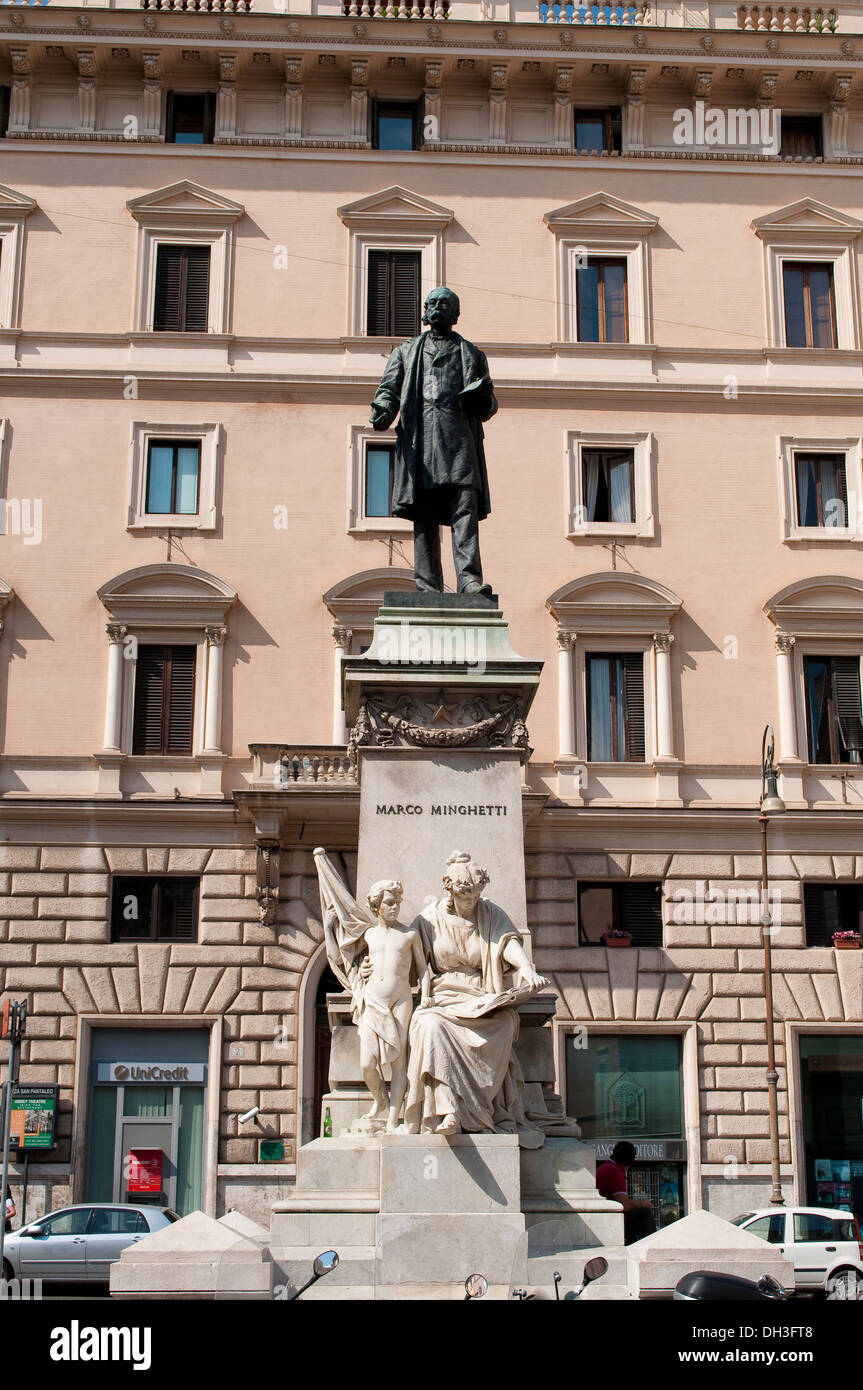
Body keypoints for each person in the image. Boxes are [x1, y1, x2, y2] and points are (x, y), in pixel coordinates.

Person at [403, 850, 548, 1138]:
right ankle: (449, 1112)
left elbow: (506, 942)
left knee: (505, 1024)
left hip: (482, 997)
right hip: (443, 998)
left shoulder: (490, 912)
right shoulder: (428, 920)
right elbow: (404, 956)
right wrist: (375, 966)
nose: (471, 903)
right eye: (465, 897)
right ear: (451, 891)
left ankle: (481, 1110)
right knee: (430, 1026)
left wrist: (527, 969)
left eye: (474, 897)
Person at [369, 287, 498, 596]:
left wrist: (482, 398)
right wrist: (384, 410)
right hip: (421, 443)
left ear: (455, 314)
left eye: (445, 304)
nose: (438, 308)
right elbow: (389, 388)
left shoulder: (473, 354)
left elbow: (490, 406)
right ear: (424, 311)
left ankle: (469, 580)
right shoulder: (406, 352)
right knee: (424, 515)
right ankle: (427, 587)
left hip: (460, 444)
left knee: (464, 512)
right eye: (433, 303)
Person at [356, 880, 429, 1133]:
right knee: (367, 1063)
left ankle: (393, 1118)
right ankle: (380, 1101)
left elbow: (422, 969)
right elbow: (359, 965)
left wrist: (427, 995)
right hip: (373, 1001)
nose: (394, 908)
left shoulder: (409, 934)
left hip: (400, 1001)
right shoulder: (368, 935)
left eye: (397, 903)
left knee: (399, 1062)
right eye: (389, 903)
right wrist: (362, 971)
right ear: (376, 906)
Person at [595, 1141, 656, 1245]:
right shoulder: (614, 1171)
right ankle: (650, 1245)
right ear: (629, 1162)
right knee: (644, 1212)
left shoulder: (605, 1167)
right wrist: (643, 1203)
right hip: (609, 1220)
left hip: (604, 1216)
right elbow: (624, 1205)